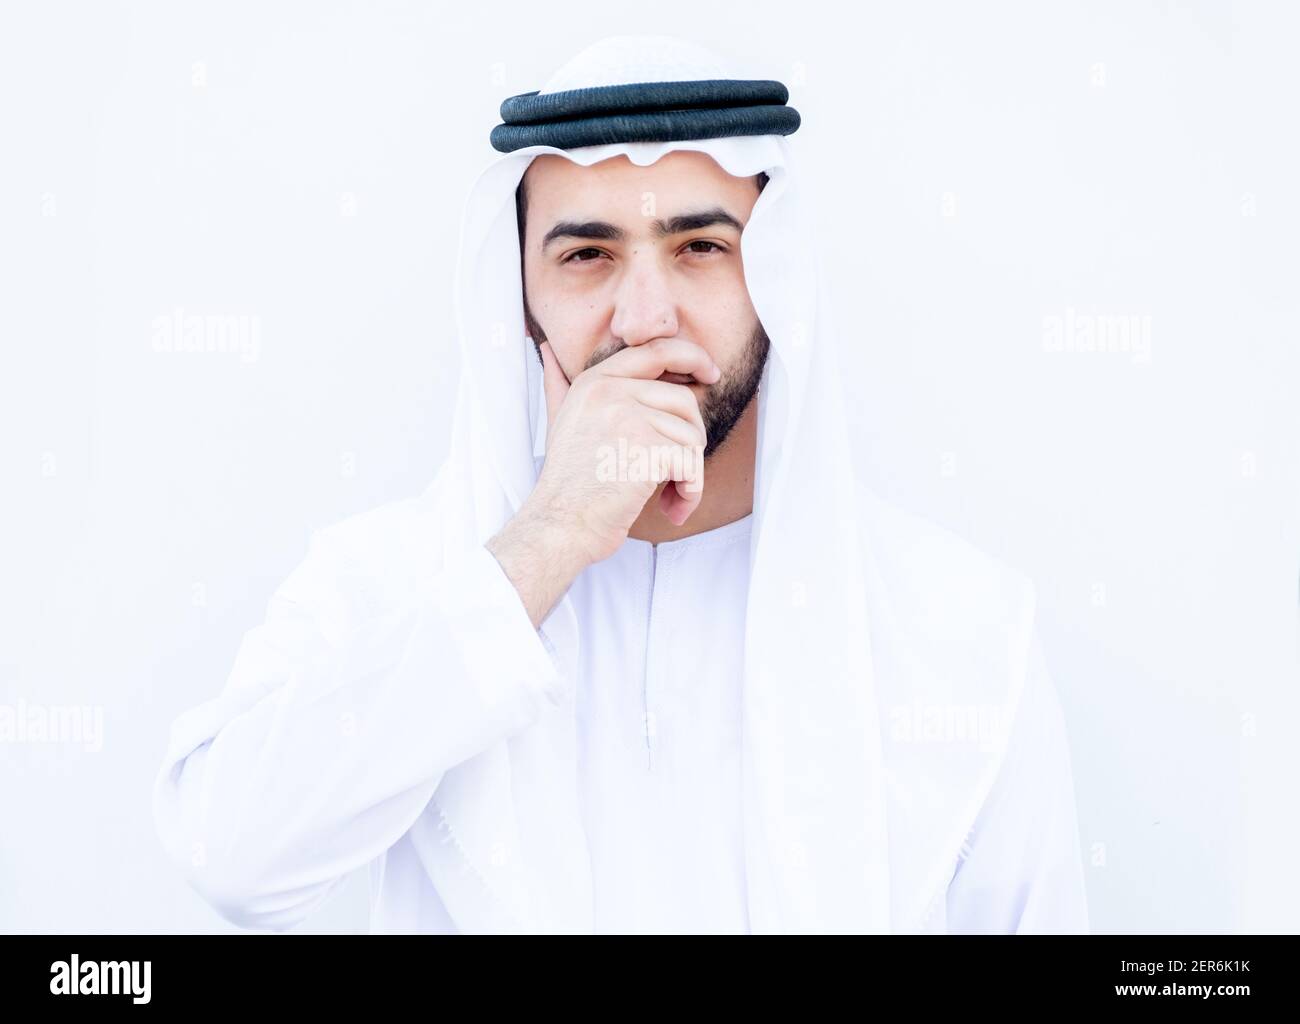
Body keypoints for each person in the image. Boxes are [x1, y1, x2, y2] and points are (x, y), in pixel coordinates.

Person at [152, 34, 1090, 934]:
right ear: (520, 304)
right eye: (587, 255)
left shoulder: (962, 630)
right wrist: (546, 539)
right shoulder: (392, 580)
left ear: (778, 279)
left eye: (700, 248)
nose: (645, 319)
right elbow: (227, 858)